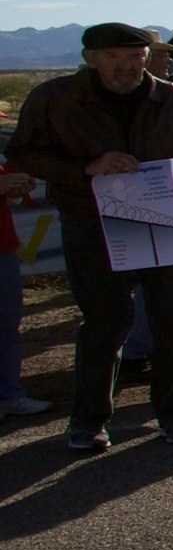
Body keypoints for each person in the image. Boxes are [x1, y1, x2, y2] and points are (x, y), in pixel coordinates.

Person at [4, 23, 173, 451]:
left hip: (164, 220)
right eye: (113, 57)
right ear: (90, 59)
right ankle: (88, 422)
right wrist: (85, 167)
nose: (126, 66)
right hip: (92, 224)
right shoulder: (54, 98)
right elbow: (23, 154)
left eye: (135, 57)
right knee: (105, 325)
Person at [0, 164, 48, 418]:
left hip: (4, 245)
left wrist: (16, 189)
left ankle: (9, 395)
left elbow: (9, 197)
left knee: (8, 323)